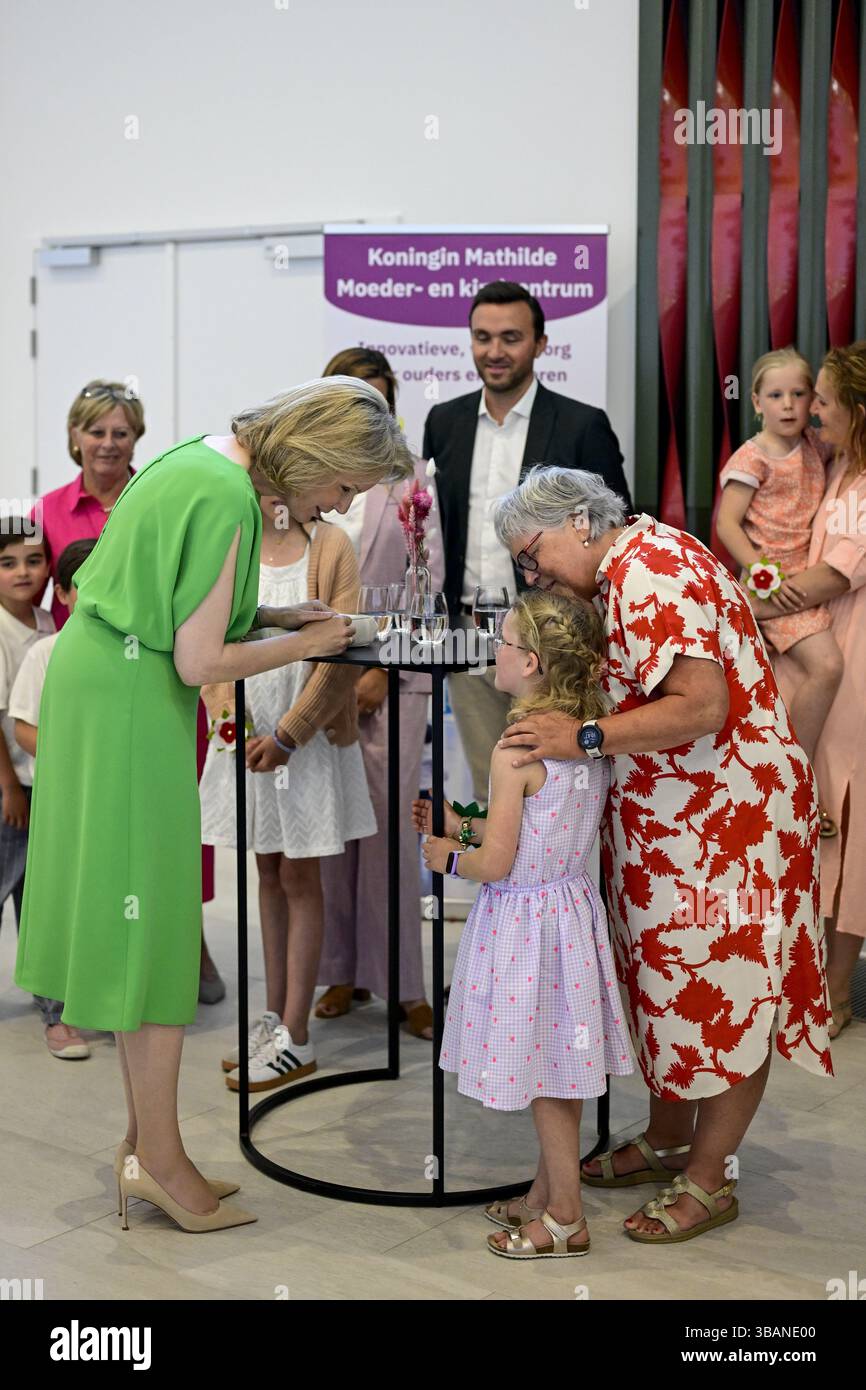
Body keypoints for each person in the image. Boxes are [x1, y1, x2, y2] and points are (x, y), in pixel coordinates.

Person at [14, 378, 414, 1234]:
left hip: (117, 685)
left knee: (146, 922)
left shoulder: (208, 465)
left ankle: (145, 1147)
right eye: (344, 486)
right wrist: (310, 639)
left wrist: (276, 610)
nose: (339, 505)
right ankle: (159, 1160)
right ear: (321, 458)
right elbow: (199, 660)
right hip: (129, 700)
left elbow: (179, 605)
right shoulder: (229, 496)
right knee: (152, 929)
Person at [493, 465, 832, 1245]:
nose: (532, 571)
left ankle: (712, 1179)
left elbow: (701, 705)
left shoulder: (650, 571)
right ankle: (669, 1140)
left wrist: (581, 737)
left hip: (729, 823)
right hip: (679, 820)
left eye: (534, 552)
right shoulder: (626, 567)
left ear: (581, 521)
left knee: (728, 991)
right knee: (666, 986)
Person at [414, 591, 633, 1259]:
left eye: (503, 642)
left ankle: (565, 1217)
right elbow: (538, 834)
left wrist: (450, 856)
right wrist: (465, 823)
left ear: (531, 661)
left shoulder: (515, 751)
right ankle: (545, 1192)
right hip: (570, 915)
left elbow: (500, 861)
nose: (493, 653)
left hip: (525, 930)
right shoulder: (584, 736)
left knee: (544, 1073)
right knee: (559, 1064)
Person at [30, 381, 225, 1002]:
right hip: (86, 695)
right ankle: (90, 961)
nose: (108, 444)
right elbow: (30, 596)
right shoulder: (47, 510)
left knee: (172, 824)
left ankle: (185, 942)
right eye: (96, 431)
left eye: (120, 432)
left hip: (160, 681)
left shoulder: (155, 497)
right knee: (94, 824)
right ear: (74, 437)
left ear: (137, 437)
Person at [422, 280, 631, 805]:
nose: (495, 351)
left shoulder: (583, 425)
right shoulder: (443, 422)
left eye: (511, 337)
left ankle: (555, 887)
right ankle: (500, 883)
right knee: (489, 779)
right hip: (470, 634)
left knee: (555, 785)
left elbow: (615, 530)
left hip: (555, 638)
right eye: (482, 337)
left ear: (540, 343)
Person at [200, 487, 376, 1089]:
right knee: (267, 875)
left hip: (308, 741)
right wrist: (233, 722)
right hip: (245, 743)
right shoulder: (234, 542)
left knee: (301, 878)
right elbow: (207, 638)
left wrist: (290, 734)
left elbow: (341, 656)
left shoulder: (331, 546)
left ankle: (297, 1037)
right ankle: (274, 1021)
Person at [317, 348, 442, 1040]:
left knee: (392, 830)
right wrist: (335, 675)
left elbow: (426, 587)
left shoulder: (410, 480)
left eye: (379, 397)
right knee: (331, 827)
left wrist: (378, 673)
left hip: (395, 683)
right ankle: (340, 969)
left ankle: (404, 983)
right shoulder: (305, 482)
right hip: (322, 679)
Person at [758, 342, 866, 1040]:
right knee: (823, 813)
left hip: (854, 666)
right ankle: (806, 976)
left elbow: (833, 576)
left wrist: (753, 602)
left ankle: (835, 987)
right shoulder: (839, 469)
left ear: (857, 412)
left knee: (849, 819)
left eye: (823, 399)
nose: (812, 410)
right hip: (828, 656)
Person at [716, 348, 842, 836]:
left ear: (813, 400)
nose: (787, 404)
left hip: (801, 581)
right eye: (775, 395)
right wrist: (760, 572)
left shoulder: (816, 444)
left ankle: (788, 771)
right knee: (826, 666)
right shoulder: (752, 457)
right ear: (755, 402)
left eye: (798, 393)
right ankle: (796, 772)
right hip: (769, 585)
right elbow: (727, 523)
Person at [9, 537, 96, 1058]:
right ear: (62, 595)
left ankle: (94, 999)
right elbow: (24, 729)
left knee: (92, 901)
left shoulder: (130, 655)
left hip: (101, 805)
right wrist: (76, 761)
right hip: (52, 800)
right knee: (52, 902)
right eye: (88, 588)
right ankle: (57, 1012)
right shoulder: (45, 653)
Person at [0, 518, 61, 1044]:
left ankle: (52, 1004)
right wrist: (9, 788)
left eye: (34, 560)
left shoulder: (47, 624)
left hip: (44, 783)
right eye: (8, 562)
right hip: (11, 789)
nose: (23, 572)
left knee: (40, 898)